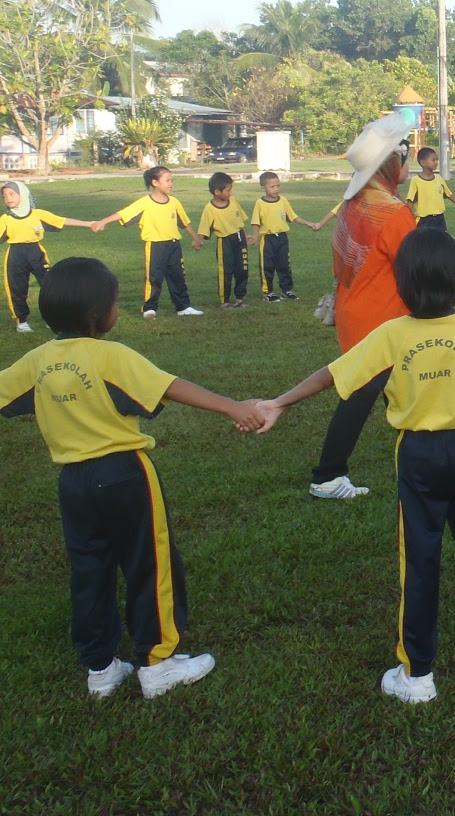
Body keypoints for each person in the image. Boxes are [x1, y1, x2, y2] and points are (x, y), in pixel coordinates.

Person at [260, 230, 455, 704]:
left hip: (421, 457)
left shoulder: (391, 335)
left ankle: (418, 675)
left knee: (421, 560)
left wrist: (281, 402)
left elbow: (335, 373)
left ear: (401, 283)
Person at [0, 257, 264, 699]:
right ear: (97, 315)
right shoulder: (109, 355)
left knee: (89, 570)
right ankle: (157, 664)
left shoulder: (36, 361)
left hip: (74, 484)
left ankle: (100, 670)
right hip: (125, 475)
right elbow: (169, 386)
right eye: (115, 303)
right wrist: (234, 407)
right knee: (151, 564)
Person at [308, 114, 417, 500]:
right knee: (360, 396)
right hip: (383, 321)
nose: (409, 163)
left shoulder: (353, 203)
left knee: (404, 389)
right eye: (404, 156)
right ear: (390, 163)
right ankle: (327, 476)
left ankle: (423, 455)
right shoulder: (393, 213)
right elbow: (414, 266)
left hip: (354, 312)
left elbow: (342, 262)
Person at [93, 166, 204, 319]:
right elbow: (124, 213)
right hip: (155, 246)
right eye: (167, 180)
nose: (171, 184)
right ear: (155, 182)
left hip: (173, 245)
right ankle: (150, 308)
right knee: (154, 278)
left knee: (178, 277)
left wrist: (196, 238)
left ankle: (183, 307)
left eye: (171, 180)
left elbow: (185, 222)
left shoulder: (174, 202)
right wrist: (103, 221)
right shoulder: (144, 202)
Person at [1, 180, 94, 333]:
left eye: (12, 194)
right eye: (4, 196)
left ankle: (52, 318)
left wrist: (89, 224)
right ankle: (21, 322)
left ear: (23, 194)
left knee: (49, 285)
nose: (8, 198)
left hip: (36, 253)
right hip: (15, 256)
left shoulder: (38, 214)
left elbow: (62, 221)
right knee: (16, 288)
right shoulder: (5, 219)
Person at [252, 171, 316, 302]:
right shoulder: (260, 203)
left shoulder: (283, 201)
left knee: (284, 265)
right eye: (272, 186)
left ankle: (286, 290)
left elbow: (293, 216)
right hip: (267, 239)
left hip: (281, 238)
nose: (276, 189)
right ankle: (268, 292)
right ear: (263, 188)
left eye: (278, 186)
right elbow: (255, 222)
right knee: (267, 266)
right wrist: (255, 237)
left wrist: (308, 223)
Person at [194, 172, 252, 310]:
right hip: (225, 242)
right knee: (226, 271)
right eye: (228, 190)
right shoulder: (209, 209)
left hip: (239, 239)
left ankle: (240, 298)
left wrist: (246, 235)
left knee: (242, 269)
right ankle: (224, 301)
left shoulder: (233, 202)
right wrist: (198, 240)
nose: (230, 193)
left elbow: (239, 221)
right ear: (217, 192)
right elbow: (204, 227)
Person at [405, 147, 455, 230]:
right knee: (425, 243)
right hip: (424, 221)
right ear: (423, 162)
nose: (436, 162)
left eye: (437, 160)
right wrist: (409, 218)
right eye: (433, 160)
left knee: (441, 242)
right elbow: (410, 201)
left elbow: (449, 195)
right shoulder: (416, 180)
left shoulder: (439, 178)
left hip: (440, 220)